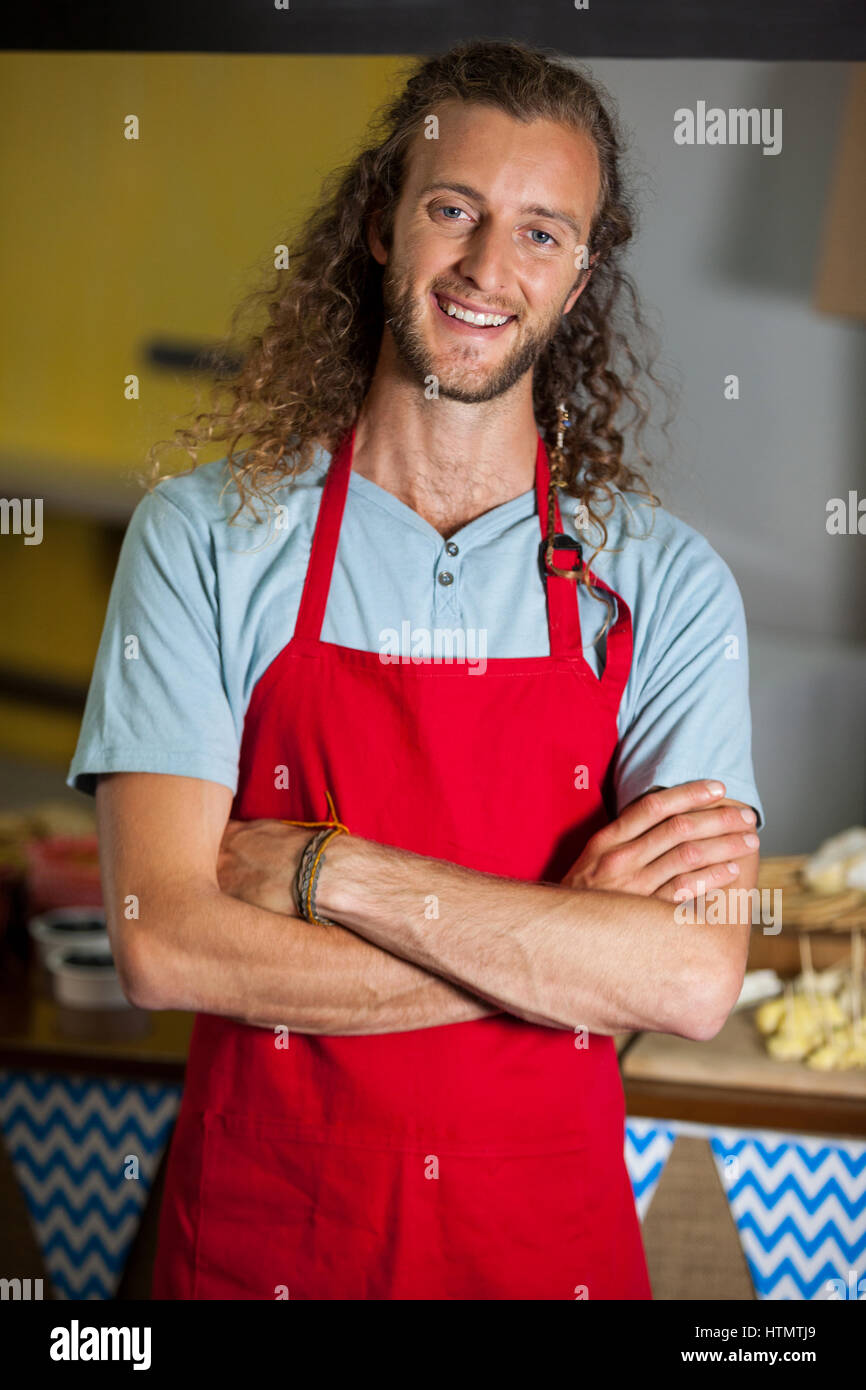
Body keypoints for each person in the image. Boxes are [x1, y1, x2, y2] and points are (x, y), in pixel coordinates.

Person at [68, 40, 764, 1301]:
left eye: (541, 232)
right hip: (264, 1243)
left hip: (541, 1257)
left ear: (578, 277)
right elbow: (162, 942)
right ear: (383, 223)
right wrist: (559, 945)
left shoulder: (663, 584)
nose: (489, 268)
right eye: (454, 209)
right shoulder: (205, 539)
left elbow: (687, 976)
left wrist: (327, 871)